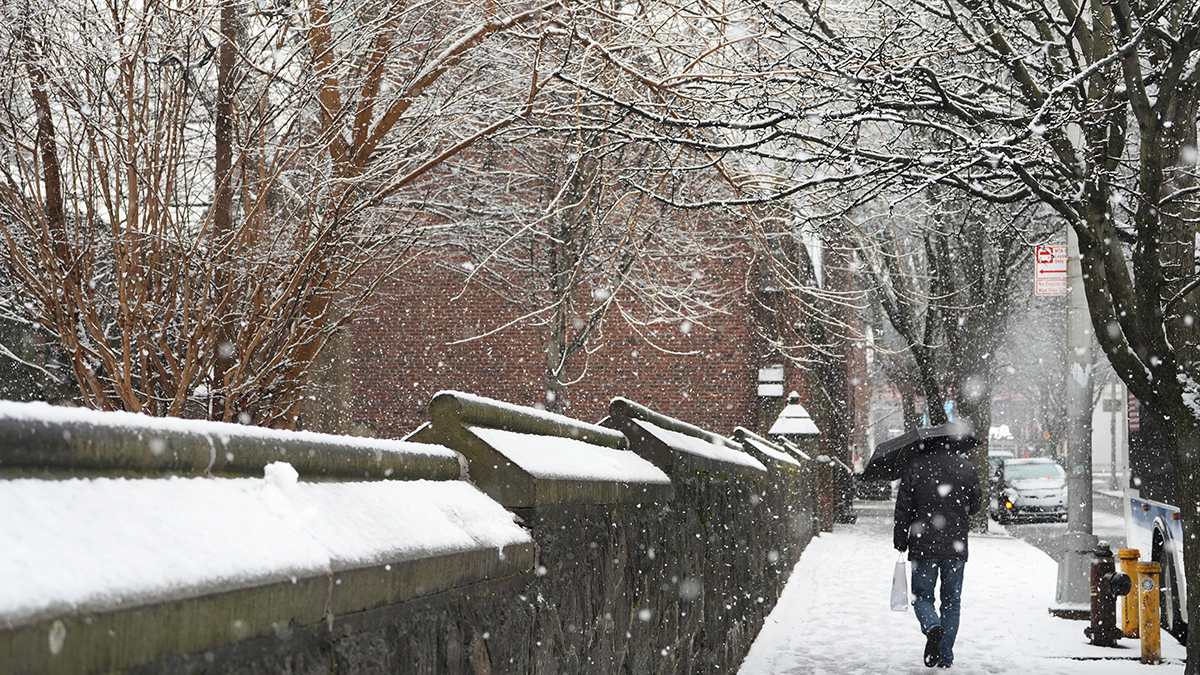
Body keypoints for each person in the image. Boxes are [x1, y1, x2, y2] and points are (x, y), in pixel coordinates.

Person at [894, 438, 982, 668]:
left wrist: (901, 539)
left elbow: (903, 508)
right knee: (952, 602)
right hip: (955, 546)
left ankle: (932, 627)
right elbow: (975, 506)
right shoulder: (966, 467)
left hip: (923, 545)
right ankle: (944, 655)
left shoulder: (915, 466)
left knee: (922, 597)